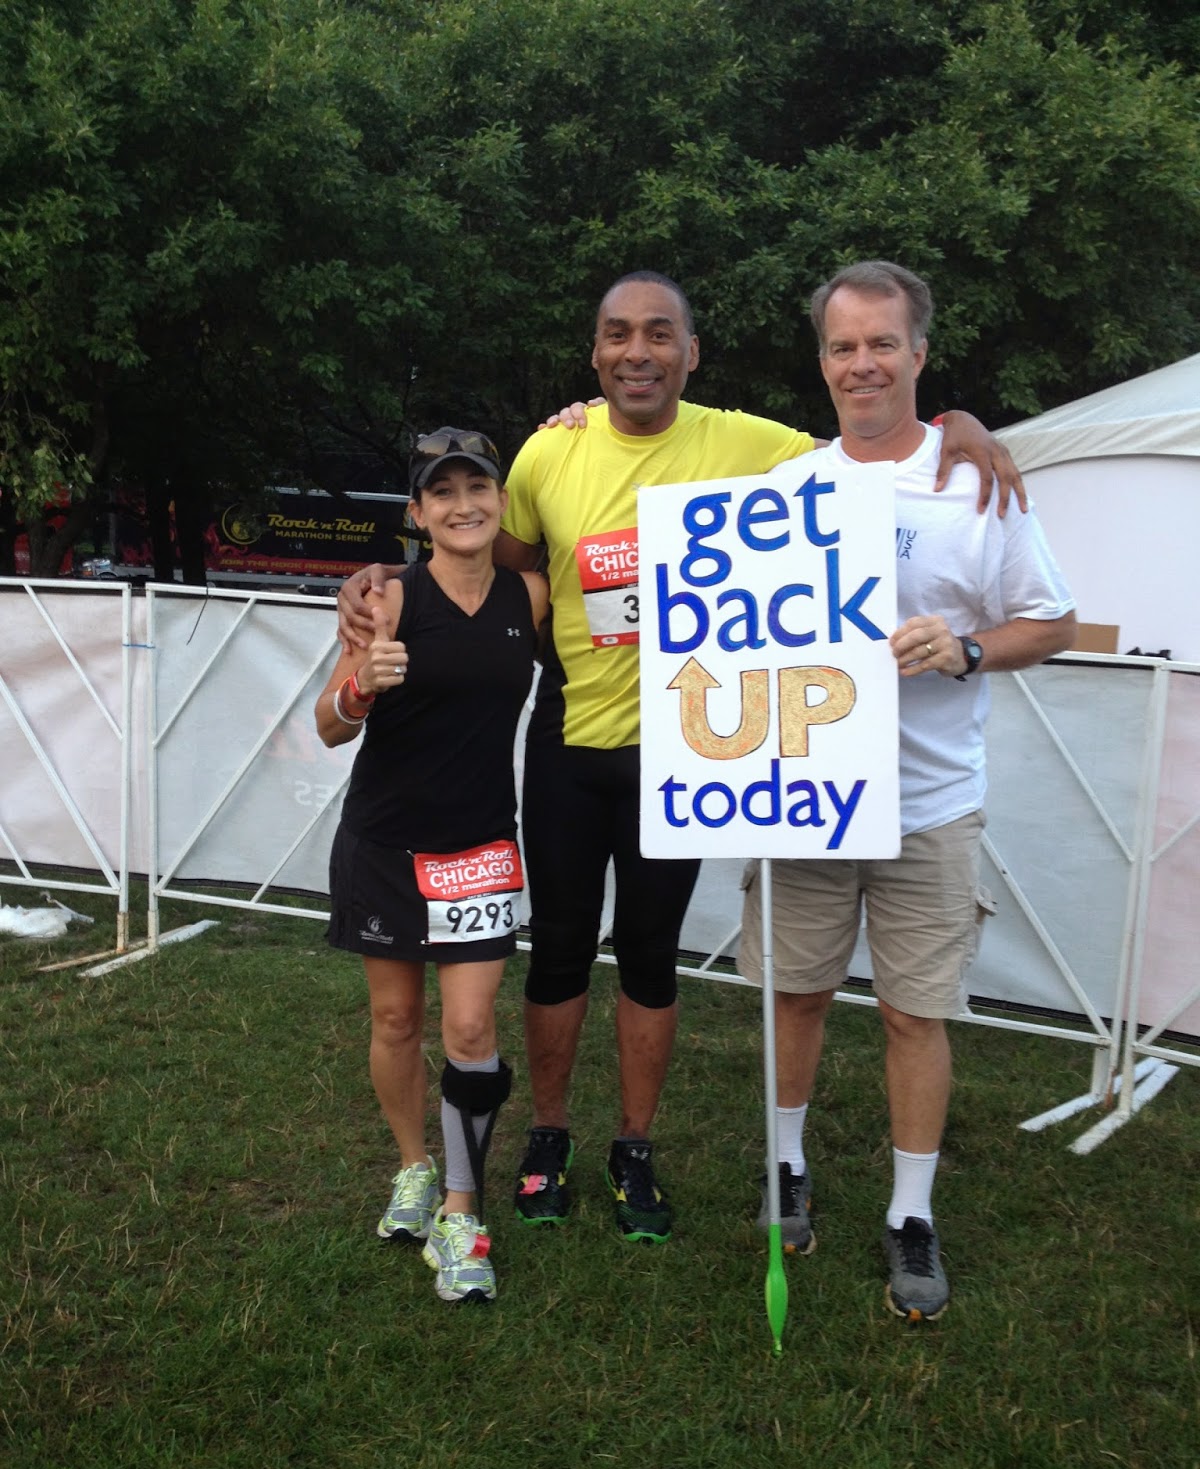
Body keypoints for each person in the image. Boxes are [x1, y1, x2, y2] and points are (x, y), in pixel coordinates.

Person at [336, 271, 1024, 1246]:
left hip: (686, 757)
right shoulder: (547, 450)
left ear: (691, 352)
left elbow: (870, 446)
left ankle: (635, 1145)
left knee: (651, 959)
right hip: (571, 742)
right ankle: (550, 1137)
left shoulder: (747, 442)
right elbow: (491, 562)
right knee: (561, 953)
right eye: (618, 335)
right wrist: (378, 583)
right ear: (595, 354)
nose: (639, 351)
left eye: (660, 334)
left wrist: (961, 422)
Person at [737, 261, 1076, 1320]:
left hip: (929, 802)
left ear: (920, 354)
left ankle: (910, 1212)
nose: (863, 363)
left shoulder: (979, 480)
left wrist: (967, 648)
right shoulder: (789, 486)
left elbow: (1052, 620)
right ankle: (785, 1168)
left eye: (883, 342)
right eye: (843, 345)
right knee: (793, 993)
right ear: (823, 360)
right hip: (810, 796)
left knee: (911, 1013)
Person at [316, 428, 548, 1303]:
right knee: (393, 1023)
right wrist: (362, 686)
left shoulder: (532, 596)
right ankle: (413, 1164)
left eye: (476, 488)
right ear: (416, 516)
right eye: (441, 493)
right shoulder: (388, 600)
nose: (463, 505)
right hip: (386, 843)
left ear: (499, 503)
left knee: (471, 1035)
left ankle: (459, 1209)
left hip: (482, 846)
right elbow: (328, 725)